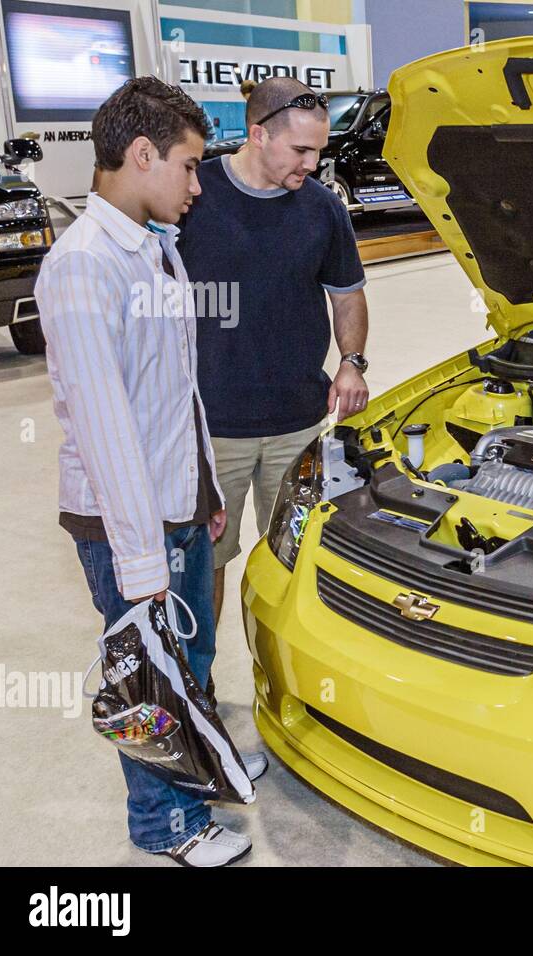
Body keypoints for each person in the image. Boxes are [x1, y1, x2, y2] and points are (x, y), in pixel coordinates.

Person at [36, 76, 266, 867]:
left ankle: (196, 778)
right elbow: (106, 432)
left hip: (174, 503)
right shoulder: (83, 269)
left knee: (190, 662)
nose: (198, 186)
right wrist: (142, 563)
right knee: (146, 683)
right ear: (141, 155)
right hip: (123, 522)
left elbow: (177, 393)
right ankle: (160, 823)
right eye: (190, 167)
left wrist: (201, 492)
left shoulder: (155, 250)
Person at [177, 77, 369, 626]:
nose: (311, 164)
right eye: (301, 150)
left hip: (298, 424)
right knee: (202, 567)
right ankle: (199, 682)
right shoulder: (194, 195)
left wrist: (351, 362)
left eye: (319, 151)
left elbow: (347, 295)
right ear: (258, 134)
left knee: (298, 558)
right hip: (212, 428)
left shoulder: (322, 207)